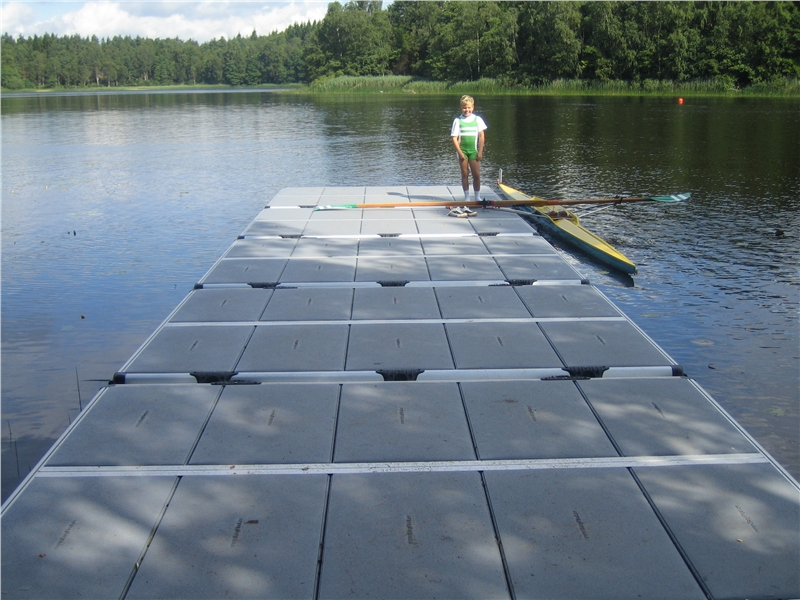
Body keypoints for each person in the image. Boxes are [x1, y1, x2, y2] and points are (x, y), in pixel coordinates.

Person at [451, 95, 487, 204]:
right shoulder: (458, 120)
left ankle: (477, 196)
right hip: (462, 151)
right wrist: (460, 153)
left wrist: (480, 151)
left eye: (469, 108)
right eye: (464, 108)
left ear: (473, 107)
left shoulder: (477, 119)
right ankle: (467, 196)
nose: (467, 110)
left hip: (473, 151)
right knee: (465, 174)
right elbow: (454, 138)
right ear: (461, 108)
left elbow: (481, 137)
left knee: (476, 175)